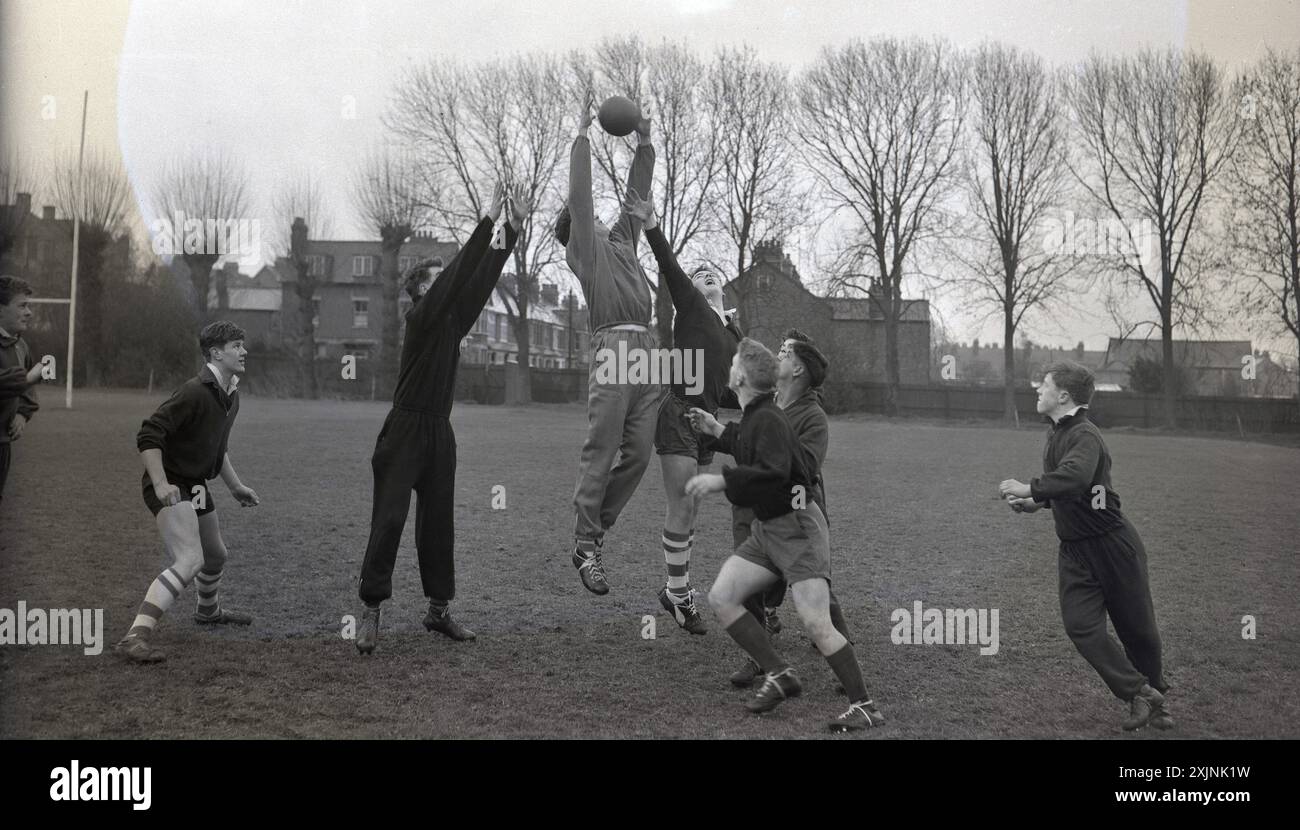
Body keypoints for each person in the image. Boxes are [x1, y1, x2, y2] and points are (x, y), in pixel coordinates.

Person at [354, 184, 525, 654]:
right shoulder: (420, 318)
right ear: (423, 291)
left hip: (438, 433)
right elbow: (459, 278)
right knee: (388, 521)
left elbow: (479, 279)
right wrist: (487, 221)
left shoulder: (451, 321)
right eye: (437, 279)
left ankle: (438, 611)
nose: (446, 283)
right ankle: (370, 611)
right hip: (404, 431)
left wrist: (511, 232)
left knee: (438, 526)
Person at [686, 338, 884, 731]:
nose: (730, 367)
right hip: (769, 528)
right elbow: (752, 443)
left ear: (740, 376)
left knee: (816, 623)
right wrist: (717, 430)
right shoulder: (764, 412)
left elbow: (776, 471)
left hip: (796, 528)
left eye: (734, 362)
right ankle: (778, 673)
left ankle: (864, 706)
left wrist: (722, 480)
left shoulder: (772, 417)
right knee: (722, 597)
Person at [1000, 361, 1172, 731]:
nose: (1037, 390)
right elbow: (1080, 488)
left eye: (1043, 385)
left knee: (1138, 631)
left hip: (1112, 545)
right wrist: (1040, 503)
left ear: (1062, 396)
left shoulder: (1085, 434)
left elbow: (1077, 478)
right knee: (1081, 626)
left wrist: (1029, 488)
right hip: (1076, 550)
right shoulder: (1059, 432)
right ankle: (1139, 691)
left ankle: (1154, 704)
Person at [621, 188, 742, 634]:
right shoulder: (691, 307)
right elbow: (670, 267)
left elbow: (727, 391)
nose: (705, 273)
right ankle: (678, 594)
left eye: (713, 271)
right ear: (692, 288)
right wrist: (652, 226)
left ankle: (676, 592)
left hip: (706, 422)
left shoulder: (731, 329)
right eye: (699, 272)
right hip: (677, 413)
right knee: (684, 502)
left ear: (722, 286)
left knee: (690, 510)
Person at [559, 93, 660, 596]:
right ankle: (585, 541)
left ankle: (596, 528)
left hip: (648, 355)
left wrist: (644, 141)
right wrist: (581, 136)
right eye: (589, 220)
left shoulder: (622, 241)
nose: (599, 219)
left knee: (639, 454)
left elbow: (636, 197)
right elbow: (581, 199)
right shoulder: (586, 250)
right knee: (602, 450)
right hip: (615, 354)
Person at [115, 321, 260, 663]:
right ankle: (135, 635)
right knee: (190, 559)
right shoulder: (194, 391)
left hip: (194, 484)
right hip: (169, 482)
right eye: (236, 346)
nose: (244, 352)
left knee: (215, 555)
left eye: (243, 345)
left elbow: (215, 448)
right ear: (215, 353)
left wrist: (235, 486)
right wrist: (162, 483)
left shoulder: (230, 393)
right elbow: (149, 435)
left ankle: (207, 612)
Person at [0, 275, 42, 506]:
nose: (29, 313)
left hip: (3, 444)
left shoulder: (20, 345)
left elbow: (27, 390)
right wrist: (26, 377)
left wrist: (22, 414)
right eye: (22, 306)